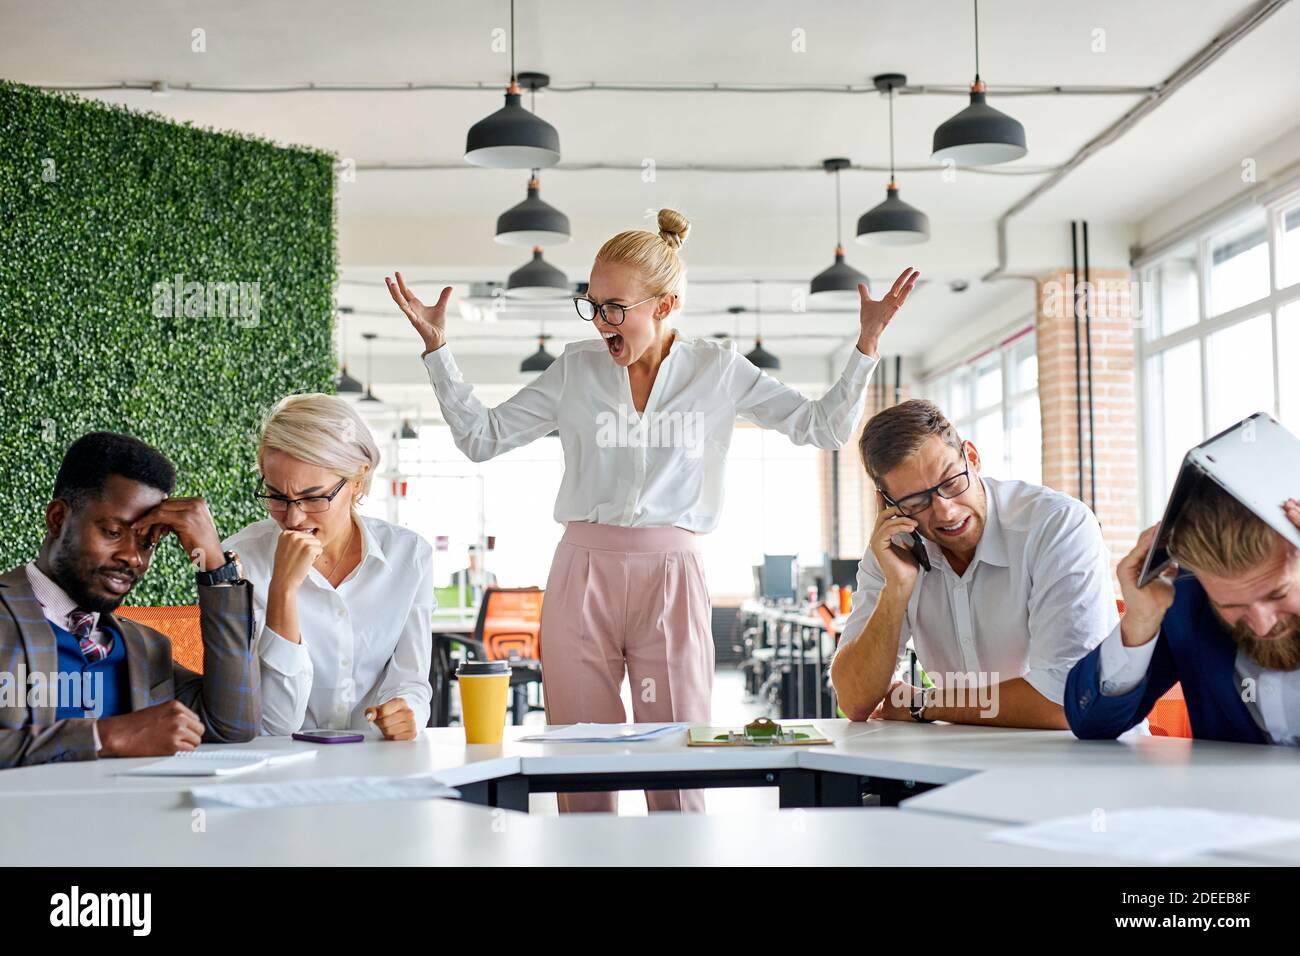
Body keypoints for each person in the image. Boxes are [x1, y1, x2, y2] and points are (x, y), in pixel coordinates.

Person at [387, 209, 917, 812]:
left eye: (615, 307)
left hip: (671, 575)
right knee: (580, 765)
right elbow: (481, 437)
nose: (601, 320)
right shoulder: (576, 369)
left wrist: (866, 347)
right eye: (592, 304)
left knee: (679, 762)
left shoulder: (717, 370)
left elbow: (822, 428)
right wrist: (438, 349)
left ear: (663, 306)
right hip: (581, 573)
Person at [830, 400, 1117, 729]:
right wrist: (895, 591)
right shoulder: (893, 550)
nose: (946, 512)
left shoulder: (1057, 525)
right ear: (888, 504)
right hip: (967, 756)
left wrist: (925, 703)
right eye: (915, 501)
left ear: (972, 457)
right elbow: (854, 700)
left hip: (1083, 762)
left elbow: (1066, 701)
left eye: (951, 482)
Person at [0, 432, 259, 767]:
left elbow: (233, 724)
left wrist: (214, 567)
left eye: (147, 543)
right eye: (112, 533)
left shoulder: (146, 649)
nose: (133, 558)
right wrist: (105, 737)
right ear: (58, 519)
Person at [224, 394, 434, 740]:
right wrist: (282, 591)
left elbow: (410, 682)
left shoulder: (409, 556)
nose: (293, 518)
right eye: (277, 496)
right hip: (279, 771)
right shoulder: (239, 560)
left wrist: (406, 710)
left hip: (377, 762)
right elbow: (275, 725)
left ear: (357, 480)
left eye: (312, 497)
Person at [1065, 486, 1300, 744]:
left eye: (1278, 595)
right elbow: (1091, 723)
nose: (1262, 626)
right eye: (1231, 607)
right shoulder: (1187, 601)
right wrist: (1140, 620)